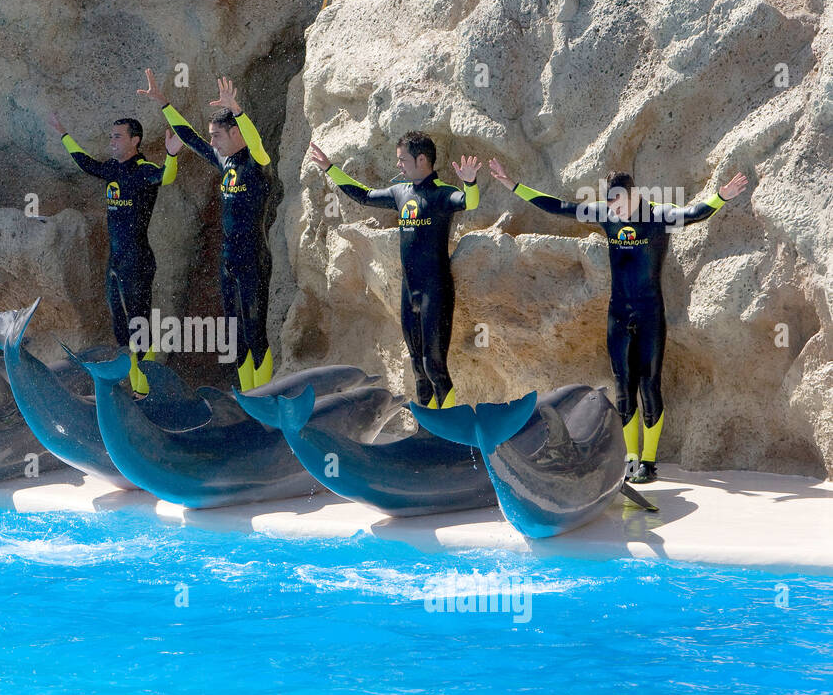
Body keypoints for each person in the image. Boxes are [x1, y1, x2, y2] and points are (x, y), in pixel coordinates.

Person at [487, 159, 748, 483]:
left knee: (649, 385)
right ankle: (631, 460)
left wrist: (720, 197)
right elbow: (559, 207)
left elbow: (694, 214)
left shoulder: (657, 216)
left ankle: (649, 464)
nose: (615, 210)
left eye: (619, 202)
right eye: (610, 203)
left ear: (633, 194)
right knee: (623, 388)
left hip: (650, 312)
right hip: (619, 314)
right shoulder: (606, 216)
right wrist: (513, 185)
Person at [308, 134, 481, 409]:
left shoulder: (441, 193)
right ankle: (427, 430)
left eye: (403, 159)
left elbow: (469, 202)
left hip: (435, 289)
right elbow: (363, 195)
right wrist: (331, 169)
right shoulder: (401, 192)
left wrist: (470, 182)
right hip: (409, 291)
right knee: (418, 369)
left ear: (421, 159)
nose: (398, 165)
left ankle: (447, 435)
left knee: (434, 365)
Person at [137, 69, 274, 391]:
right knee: (235, 333)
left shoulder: (257, 162)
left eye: (218, 135)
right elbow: (191, 139)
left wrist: (238, 110)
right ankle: (248, 398)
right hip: (228, 262)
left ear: (237, 134)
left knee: (255, 331)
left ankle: (264, 398)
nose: (212, 141)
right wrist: (165, 103)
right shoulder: (225, 164)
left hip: (253, 259)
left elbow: (255, 142)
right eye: (212, 136)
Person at [47, 111, 180, 394]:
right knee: (120, 328)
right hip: (117, 261)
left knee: (139, 325)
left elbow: (165, 178)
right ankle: (135, 387)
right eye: (111, 137)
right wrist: (63, 133)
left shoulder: (143, 170)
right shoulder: (112, 169)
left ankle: (147, 390)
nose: (112, 142)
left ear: (135, 140)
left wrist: (171, 156)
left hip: (137, 260)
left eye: (118, 137)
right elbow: (86, 163)